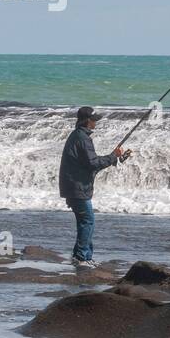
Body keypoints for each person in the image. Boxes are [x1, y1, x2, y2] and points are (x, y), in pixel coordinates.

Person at [58, 106, 130, 269]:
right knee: (87, 221)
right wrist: (113, 156)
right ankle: (82, 258)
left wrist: (115, 159)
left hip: (75, 186)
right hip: (77, 188)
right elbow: (92, 163)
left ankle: (81, 256)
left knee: (84, 222)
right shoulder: (83, 139)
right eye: (94, 119)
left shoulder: (78, 136)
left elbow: (90, 164)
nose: (96, 122)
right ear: (87, 121)